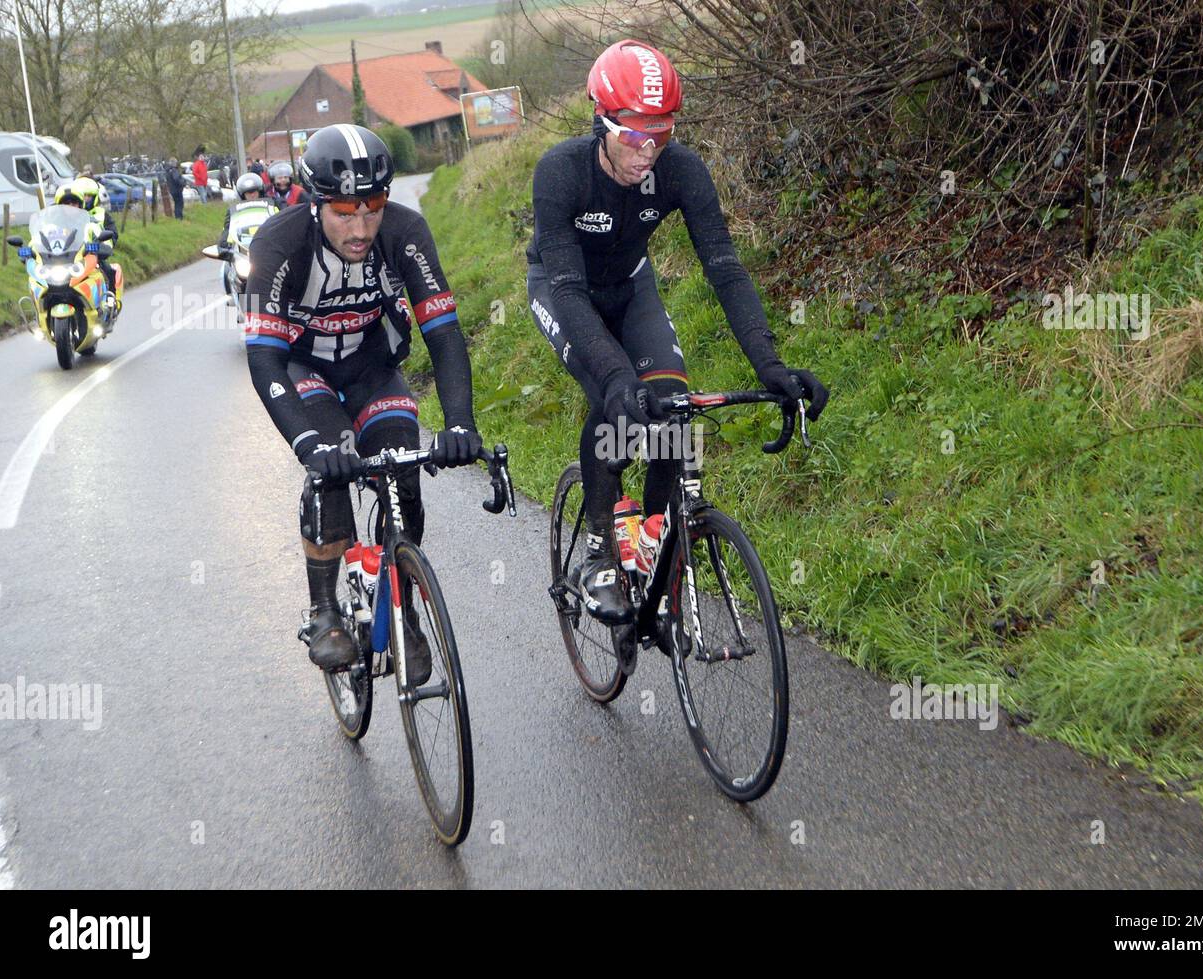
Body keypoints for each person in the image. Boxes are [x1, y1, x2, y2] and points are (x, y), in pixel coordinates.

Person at [527, 40, 829, 623]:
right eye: (635, 135)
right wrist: (615, 375)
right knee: (614, 398)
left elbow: (724, 267)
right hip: (563, 288)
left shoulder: (680, 170)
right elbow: (566, 291)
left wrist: (770, 365)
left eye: (660, 135)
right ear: (602, 120)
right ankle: (596, 551)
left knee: (669, 401)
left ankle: (654, 540)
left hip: (631, 285)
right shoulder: (561, 172)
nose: (648, 151)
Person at [240, 124, 480, 678]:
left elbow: (443, 334)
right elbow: (265, 360)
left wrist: (461, 424)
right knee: (331, 465)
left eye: (372, 210)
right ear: (315, 202)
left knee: (403, 472)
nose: (361, 228)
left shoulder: (406, 232)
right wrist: (306, 443)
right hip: (305, 368)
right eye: (345, 213)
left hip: (373, 369)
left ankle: (404, 610)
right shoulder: (278, 244)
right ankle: (325, 611)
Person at [53, 177, 122, 312]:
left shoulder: (99, 216)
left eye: (88, 197)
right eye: (67, 203)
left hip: (90, 255)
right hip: (64, 256)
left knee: (106, 270)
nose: (85, 200)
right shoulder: (56, 220)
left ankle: (109, 299)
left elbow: (110, 233)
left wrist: (103, 246)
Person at [218, 172, 279, 262]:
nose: (252, 195)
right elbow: (228, 229)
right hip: (244, 252)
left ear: (260, 191)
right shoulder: (235, 211)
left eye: (254, 191)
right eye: (248, 193)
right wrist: (223, 247)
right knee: (225, 272)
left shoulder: (273, 204)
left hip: (271, 249)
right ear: (242, 195)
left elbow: (284, 223)